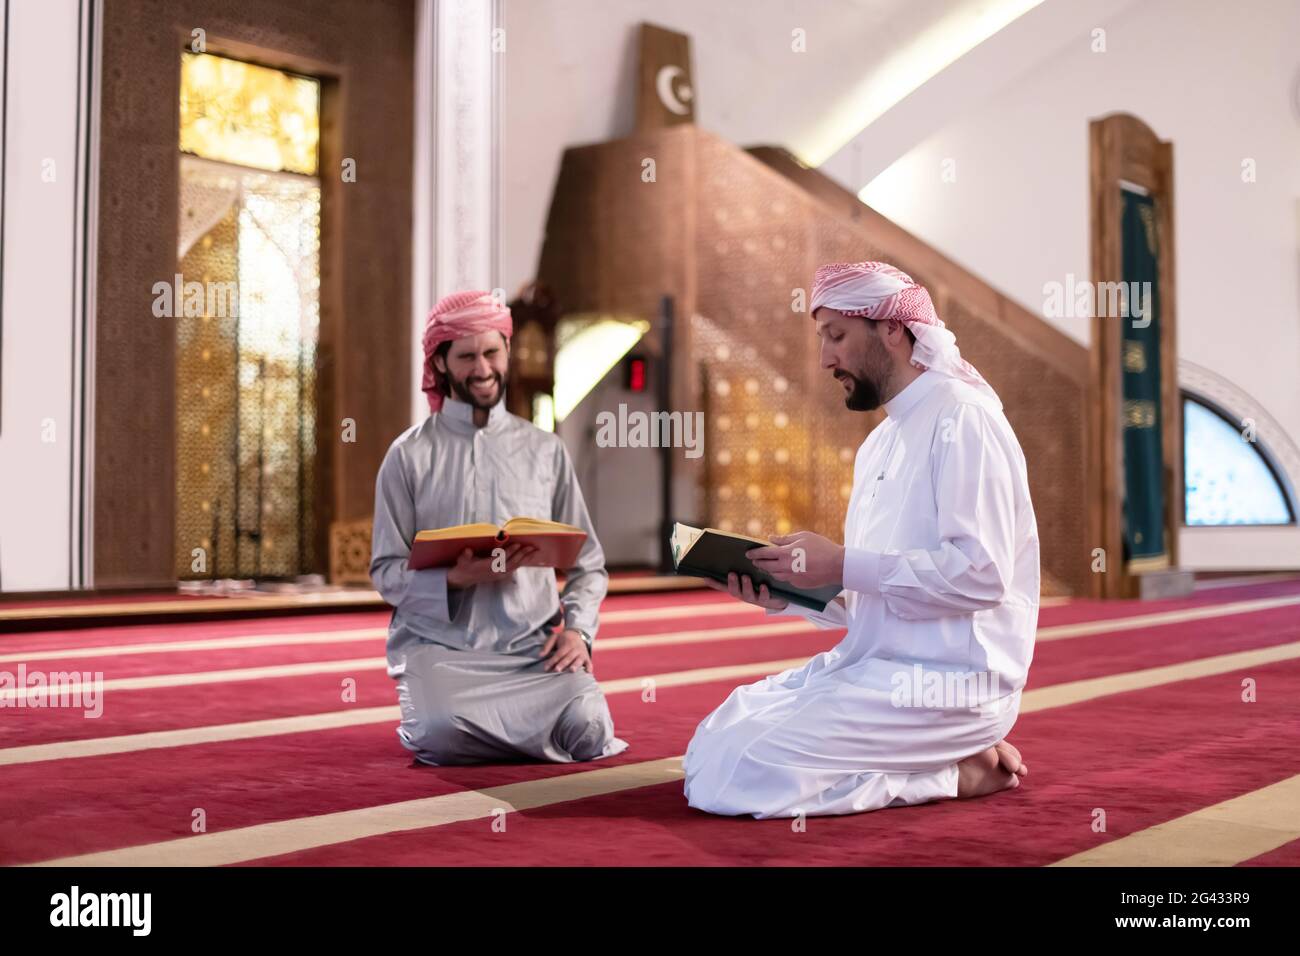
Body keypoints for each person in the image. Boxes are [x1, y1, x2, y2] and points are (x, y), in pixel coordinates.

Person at [682, 261, 1038, 819]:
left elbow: (981, 575)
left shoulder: (963, 421)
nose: (825, 358)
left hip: (949, 685)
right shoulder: (880, 444)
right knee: (717, 736)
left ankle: (951, 770)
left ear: (892, 329)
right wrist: (796, 593)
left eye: (837, 336)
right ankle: (938, 758)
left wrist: (844, 563)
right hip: (875, 666)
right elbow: (879, 595)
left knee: (738, 772)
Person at [370, 289, 628, 766]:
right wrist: (453, 579)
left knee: (590, 729)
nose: (483, 368)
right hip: (442, 649)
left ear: (507, 352)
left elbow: (590, 565)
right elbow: (385, 571)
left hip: (534, 649)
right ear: (441, 363)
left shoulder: (545, 450)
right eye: (466, 356)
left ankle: (507, 732)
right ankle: (500, 732)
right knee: (440, 732)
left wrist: (578, 632)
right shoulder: (408, 455)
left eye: (492, 352)